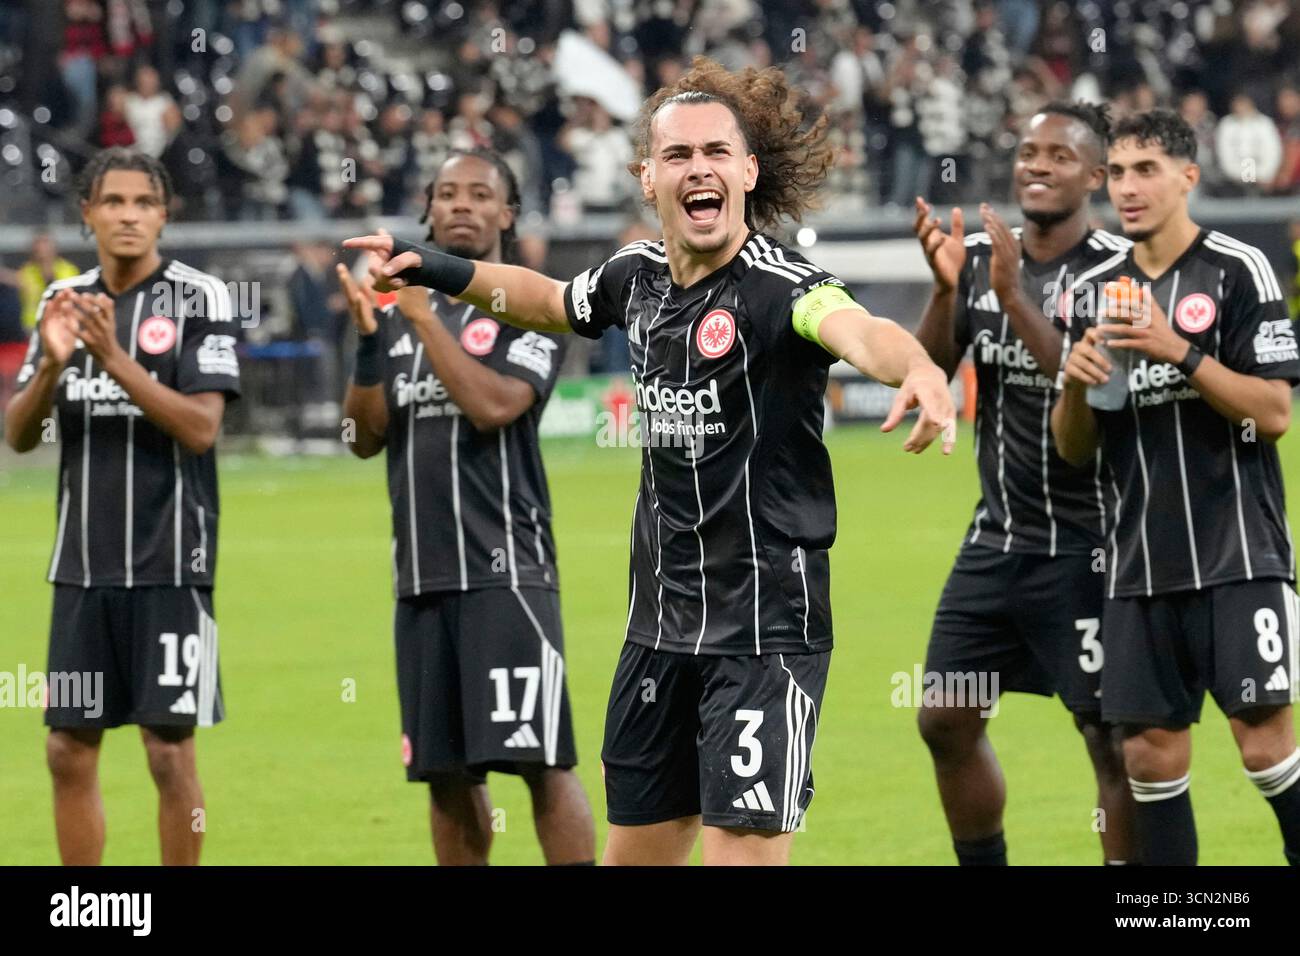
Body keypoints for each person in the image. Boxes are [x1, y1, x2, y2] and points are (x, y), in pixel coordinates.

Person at [346, 57, 957, 866]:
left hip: (764, 633)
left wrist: (914, 367)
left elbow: (857, 328)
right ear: (647, 178)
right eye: (677, 155)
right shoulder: (634, 279)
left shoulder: (782, 288)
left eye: (714, 153)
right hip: (658, 630)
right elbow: (546, 300)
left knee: (739, 851)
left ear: (746, 171)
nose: (697, 169)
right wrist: (439, 269)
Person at [1054, 109, 1300, 866]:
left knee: (1265, 748)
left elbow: (1275, 412)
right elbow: (1073, 450)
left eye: (1145, 170)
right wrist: (1074, 386)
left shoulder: (1237, 269)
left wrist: (1178, 350)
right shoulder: (1093, 288)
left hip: (1238, 553)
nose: (1126, 188)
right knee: (1151, 762)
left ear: (1188, 177)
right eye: (1117, 173)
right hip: (1136, 567)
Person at [338, 147, 595, 865]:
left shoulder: (529, 305)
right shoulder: (391, 313)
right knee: (444, 777)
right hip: (420, 580)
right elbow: (362, 439)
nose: (460, 205)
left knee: (543, 760)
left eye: (480, 194)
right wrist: (367, 343)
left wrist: (421, 320)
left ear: (507, 214)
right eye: (446, 192)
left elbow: (495, 407)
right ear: (426, 208)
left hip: (505, 575)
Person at [3, 147, 241, 865]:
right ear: (88, 215)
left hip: (172, 568)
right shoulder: (60, 302)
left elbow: (201, 428)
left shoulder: (202, 299)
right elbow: (18, 435)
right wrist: (50, 365)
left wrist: (113, 361)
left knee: (168, 755)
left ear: (164, 214)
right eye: (113, 203)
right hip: (81, 570)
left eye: (143, 202)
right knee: (65, 750)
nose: (129, 215)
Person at [913, 102, 1136, 865]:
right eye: (1027, 152)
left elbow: (1084, 387)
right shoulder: (976, 257)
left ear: (1097, 177)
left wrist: (1013, 298)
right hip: (999, 538)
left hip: (1095, 548)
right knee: (945, 718)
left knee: (1111, 742)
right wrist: (947, 293)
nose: (1037, 165)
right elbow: (932, 371)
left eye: (1060, 156)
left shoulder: (1121, 270)